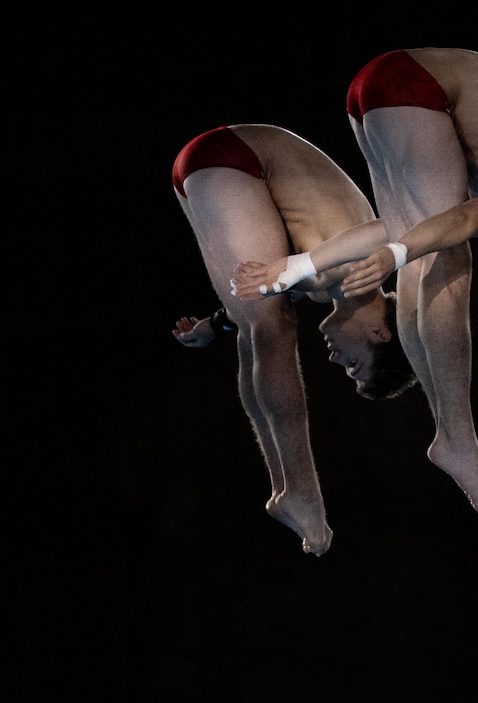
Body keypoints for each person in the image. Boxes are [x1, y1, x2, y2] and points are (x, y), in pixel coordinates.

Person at [231, 47, 478, 338]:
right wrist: (398, 254)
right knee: (440, 255)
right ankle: (454, 432)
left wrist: (299, 267)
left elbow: (397, 228)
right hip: (415, 86)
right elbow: (461, 220)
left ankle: (450, 429)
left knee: (421, 233)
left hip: (382, 86)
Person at [171, 123, 417, 557]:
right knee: (272, 322)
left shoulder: (333, 290)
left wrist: (217, 324)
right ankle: (301, 490)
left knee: (255, 324)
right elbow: (395, 225)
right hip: (237, 158)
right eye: (353, 365)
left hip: (216, 165)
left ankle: (286, 487)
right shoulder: (362, 271)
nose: (336, 361)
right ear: (381, 332)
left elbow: (270, 279)